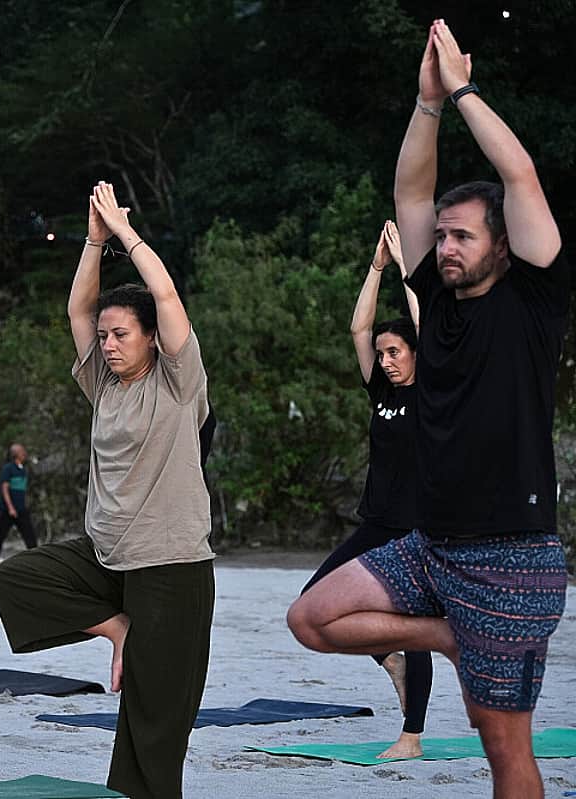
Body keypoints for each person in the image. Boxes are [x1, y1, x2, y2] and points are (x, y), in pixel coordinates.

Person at [287, 20, 568, 798]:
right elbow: (410, 190)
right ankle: (448, 637)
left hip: (512, 558)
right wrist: (426, 101)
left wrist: (467, 90)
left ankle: (468, 641)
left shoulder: (534, 301)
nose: (445, 245)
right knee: (312, 616)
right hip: (433, 545)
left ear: (502, 246)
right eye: (440, 236)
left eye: (462, 236)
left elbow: (523, 179)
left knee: (504, 751)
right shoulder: (436, 303)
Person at [0, 182, 215, 799]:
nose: (108, 344)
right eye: (107, 335)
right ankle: (118, 630)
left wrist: (124, 233)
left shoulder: (176, 384)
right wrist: (92, 241)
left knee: (153, 723)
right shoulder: (104, 384)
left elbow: (165, 294)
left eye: (122, 335)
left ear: (151, 339)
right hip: (108, 558)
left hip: (170, 568)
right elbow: (77, 313)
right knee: (16, 578)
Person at [299, 220, 432, 760]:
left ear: (418, 353)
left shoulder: (437, 389)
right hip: (377, 523)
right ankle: (388, 658)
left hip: (420, 528)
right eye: (383, 355)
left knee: (414, 626)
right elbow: (358, 330)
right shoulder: (380, 389)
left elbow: (429, 324)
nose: (386, 360)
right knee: (315, 602)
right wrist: (375, 267)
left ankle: (412, 736)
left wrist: (404, 267)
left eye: (396, 352)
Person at [0, 442, 37, 567]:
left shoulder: (23, 470)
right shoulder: (8, 468)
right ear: (16, 454)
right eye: (22, 452)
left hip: (21, 509)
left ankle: (37, 561)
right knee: (0, 536)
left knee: (30, 536)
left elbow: (22, 489)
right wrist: (10, 507)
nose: (25, 453)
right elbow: (4, 488)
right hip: (7, 510)